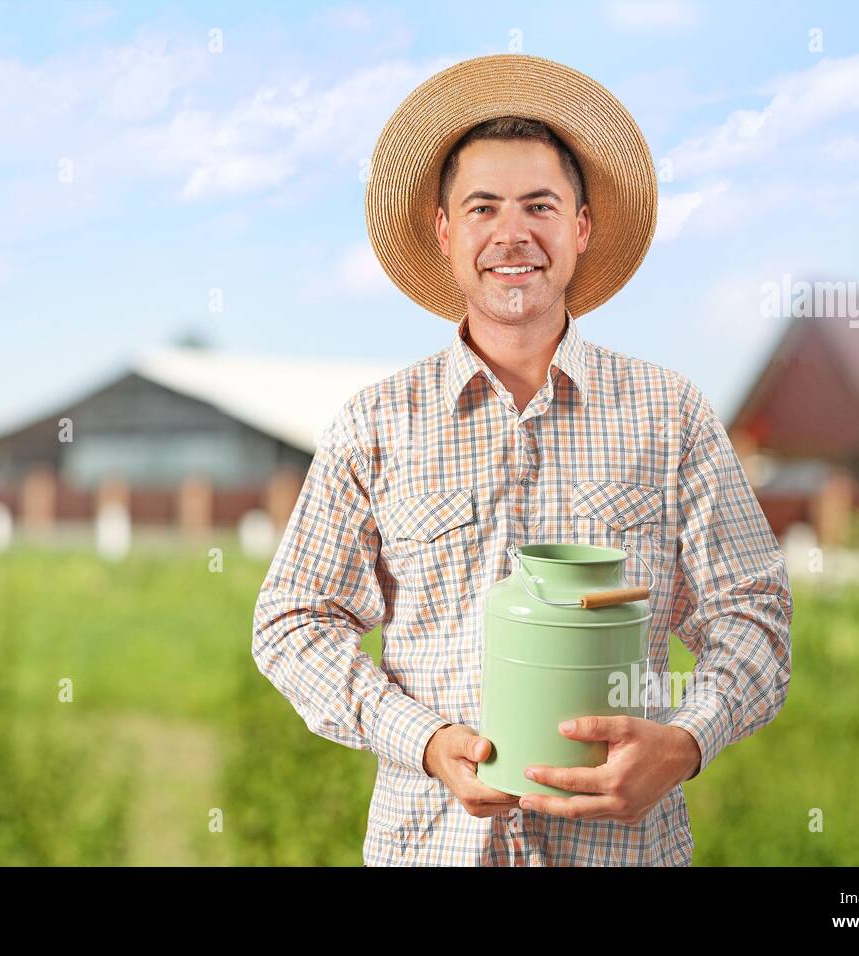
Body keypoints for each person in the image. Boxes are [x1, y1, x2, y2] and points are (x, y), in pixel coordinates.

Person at [252, 53, 792, 866]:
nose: (514, 235)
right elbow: (292, 621)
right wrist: (425, 739)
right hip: (428, 847)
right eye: (483, 208)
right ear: (444, 231)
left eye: (540, 206)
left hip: (624, 851)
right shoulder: (375, 424)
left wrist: (682, 744)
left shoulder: (670, 413)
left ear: (580, 228)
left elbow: (753, 612)